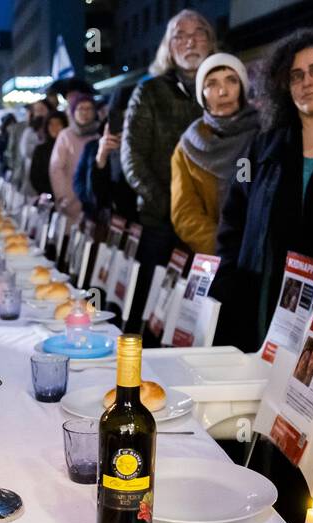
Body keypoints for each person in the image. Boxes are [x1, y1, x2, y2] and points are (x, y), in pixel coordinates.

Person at [212, 27, 313, 381]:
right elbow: (232, 221)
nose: (306, 82)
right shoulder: (261, 147)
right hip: (266, 306)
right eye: (296, 74)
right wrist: (227, 282)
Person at [121, 9, 213, 332]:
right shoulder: (149, 92)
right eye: (180, 35)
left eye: (198, 33)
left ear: (210, 41)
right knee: (147, 321)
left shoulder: (223, 90)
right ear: (168, 46)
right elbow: (132, 159)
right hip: (159, 225)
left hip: (209, 229)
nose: (190, 41)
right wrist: (169, 207)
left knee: (197, 327)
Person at [170, 53, 259, 256]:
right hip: (216, 256)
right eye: (211, 84)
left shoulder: (266, 134)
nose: (223, 91)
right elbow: (185, 213)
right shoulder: (186, 148)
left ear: (243, 88)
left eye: (232, 81)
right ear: (202, 94)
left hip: (260, 254)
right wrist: (223, 247)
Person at [73, 87, 137, 223]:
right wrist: (101, 157)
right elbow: (93, 194)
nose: (126, 123)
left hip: (139, 223)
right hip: (106, 222)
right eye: (122, 117)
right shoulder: (94, 147)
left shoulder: (145, 144)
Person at [49, 93, 98, 224]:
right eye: (81, 108)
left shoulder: (98, 135)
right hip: (70, 200)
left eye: (89, 109)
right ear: (73, 112)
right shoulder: (66, 135)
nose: (85, 113)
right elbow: (56, 168)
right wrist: (62, 197)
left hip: (92, 200)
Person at [26, 110, 65, 197]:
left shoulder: (69, 148)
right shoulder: (40, 149)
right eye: (51, 124)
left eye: (58, 124)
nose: (54, 127)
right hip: (47, 198)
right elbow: (34, 177)